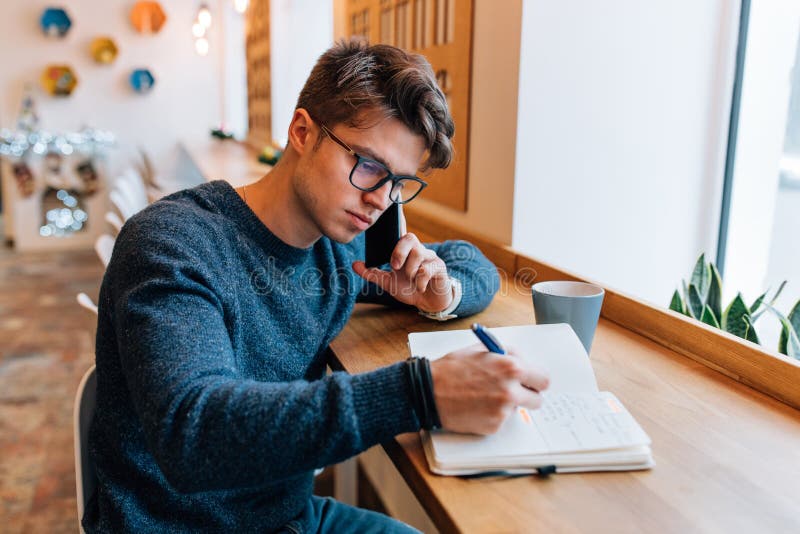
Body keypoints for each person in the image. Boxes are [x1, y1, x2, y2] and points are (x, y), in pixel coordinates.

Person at [85, 39, 549, 533]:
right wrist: (419, 392)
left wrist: (440, 292)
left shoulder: (343, 247)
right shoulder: (174, 242)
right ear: (303, 131)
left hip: (286, 516)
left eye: (398, 182)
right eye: (368, 165)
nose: (380, 201)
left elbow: (467, 261)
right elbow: (193, 434)